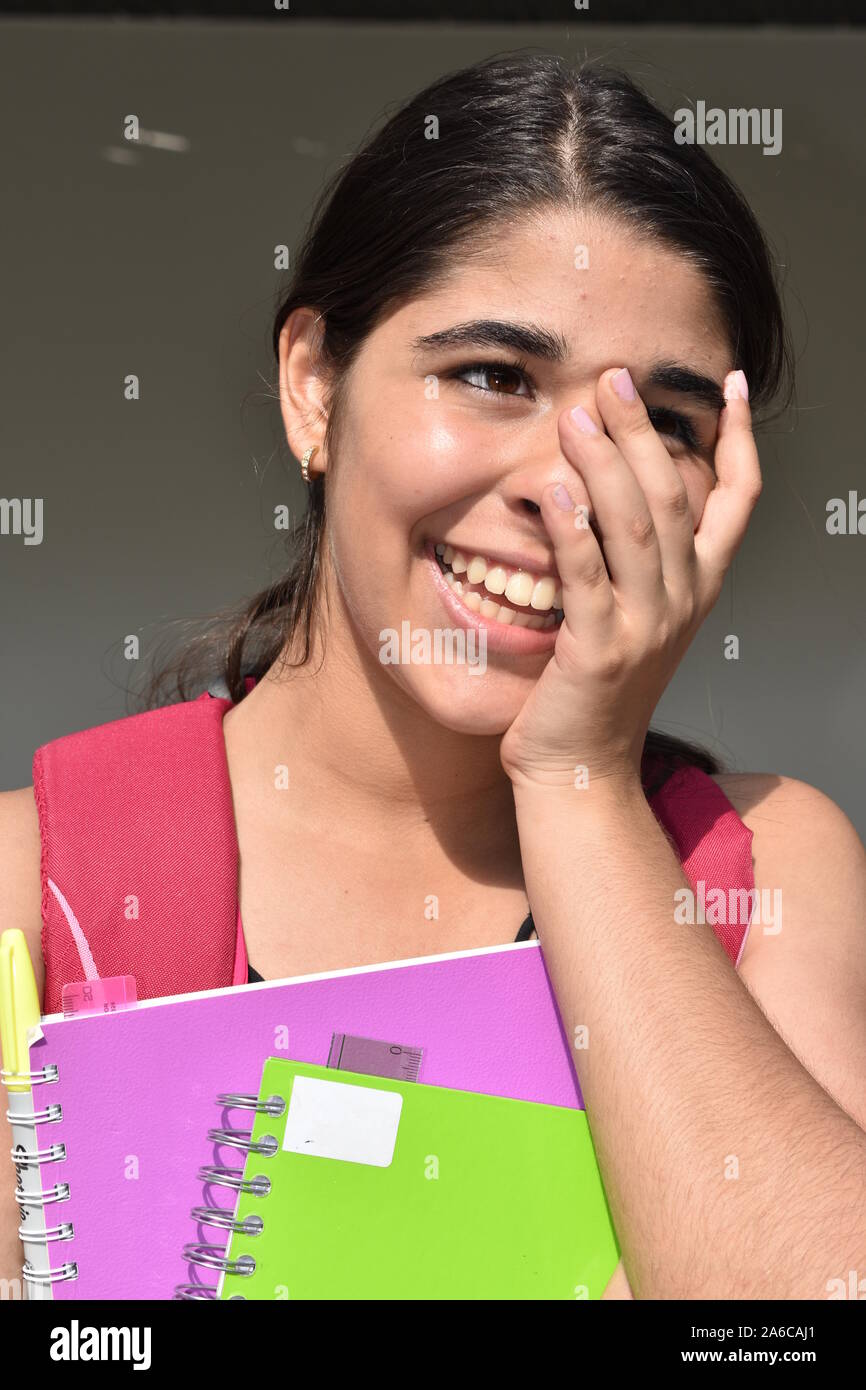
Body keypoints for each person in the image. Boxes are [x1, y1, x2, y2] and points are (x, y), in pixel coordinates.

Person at [2, 52, 865, 1300]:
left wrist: (577, 779)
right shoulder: (46, 884)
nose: (569, 490)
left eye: (659, 426)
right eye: (494, 377)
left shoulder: (757, 873)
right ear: (313, 386)